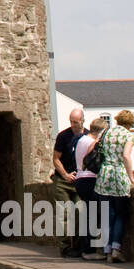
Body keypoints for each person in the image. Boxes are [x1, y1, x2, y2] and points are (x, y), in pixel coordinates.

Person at [94, 110, 134, 262]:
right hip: (118, 176)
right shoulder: (128, 136)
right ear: (130, 123)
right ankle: (115, 249)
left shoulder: (106, 133)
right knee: (120, 214)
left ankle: (106, 250)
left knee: (108, 215)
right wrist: (132, 177)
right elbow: (126, 156)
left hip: (104, 175)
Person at [52, 107, 88, 255]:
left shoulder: (87, 136)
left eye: (76, 122)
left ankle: (78, 247)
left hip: (80, 181)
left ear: (82, 121)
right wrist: (65, 174)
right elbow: (56, 158)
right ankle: (65, 247)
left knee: (80, 213)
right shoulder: (63, 136)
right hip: (62, 181)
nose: (73, 124)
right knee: (64, 214)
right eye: (71, 122)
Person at [73, 119, 109, 258]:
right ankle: (88, 250)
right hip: (90, 179)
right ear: (101, 131)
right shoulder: (93, 143)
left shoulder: (81, 140)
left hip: (80, 179)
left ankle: (85, 248)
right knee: (93, 215)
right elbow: (90, 159)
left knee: (88, 214)